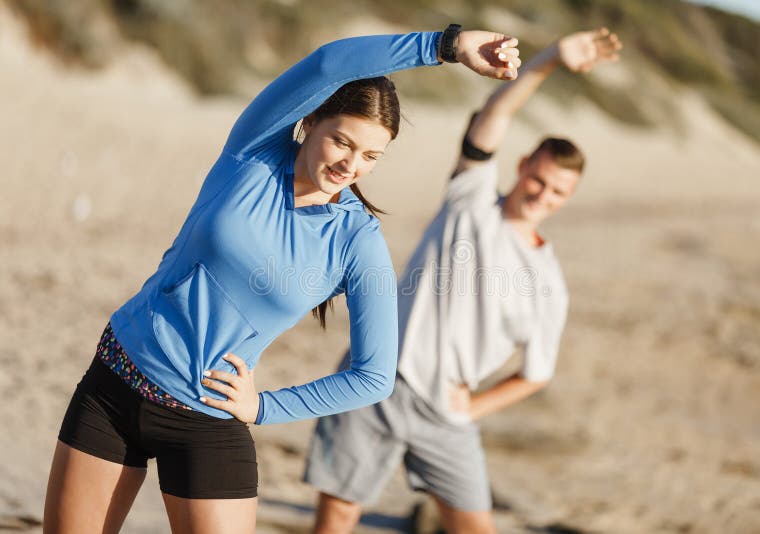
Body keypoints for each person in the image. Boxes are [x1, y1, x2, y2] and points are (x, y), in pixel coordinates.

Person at [43, 26, 524, 534]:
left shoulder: (357, 243)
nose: (350, 165)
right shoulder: (251, 154)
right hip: (115, 382)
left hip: (208, 421)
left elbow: (375, 375)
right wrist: (444, 46)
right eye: (342, 141)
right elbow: (328, 65)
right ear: (309, 121)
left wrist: (264, 407)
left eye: (371, 156)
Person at [305, 28, 622, 534]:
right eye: (538, 179)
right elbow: (495, 116)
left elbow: (536, 373)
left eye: (558, 190)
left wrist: (473, 405)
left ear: (570, 196)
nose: (542, 194)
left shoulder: (549, 283)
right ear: (521, 167)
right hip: (378, 377)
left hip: (447, 415)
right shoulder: (470, 199)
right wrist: (550, 59)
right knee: (338, 516)